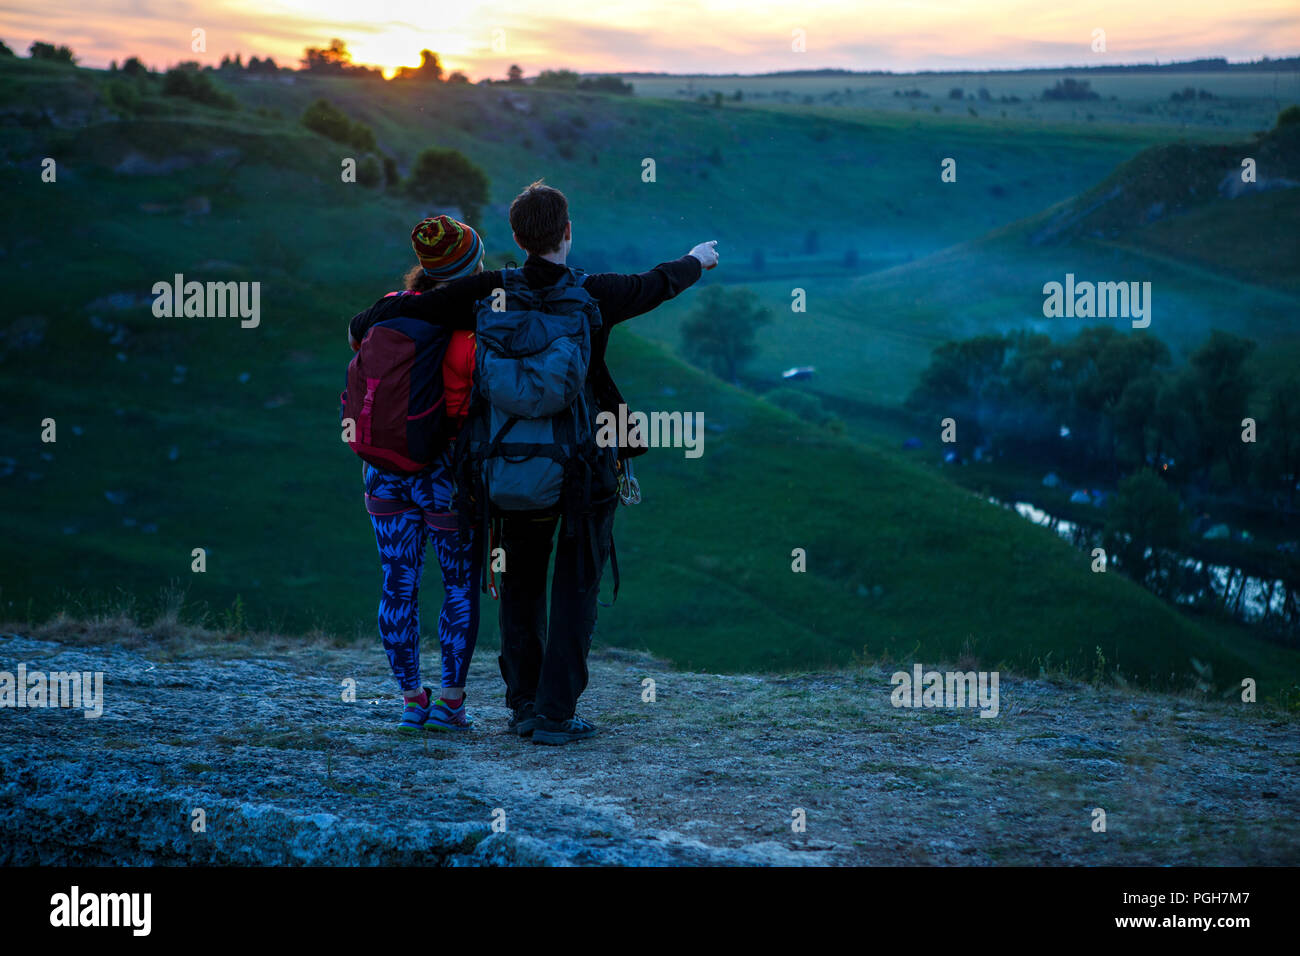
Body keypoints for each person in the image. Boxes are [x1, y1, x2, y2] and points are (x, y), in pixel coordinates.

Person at [349, 181, 719, 745]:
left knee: (519, 582)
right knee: (576, 586)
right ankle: (554, 714)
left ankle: (521, 706)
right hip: (585, 466)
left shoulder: (488, 291)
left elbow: (402, 312)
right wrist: (698, 260)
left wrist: (366, 321)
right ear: (567, 233)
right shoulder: (596, 292)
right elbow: (657, 284)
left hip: (505, 466)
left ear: (518, 238)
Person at [353, 215, 483, 731]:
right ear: (471, 266)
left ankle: (411, 700)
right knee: (457, 584)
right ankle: (451, 704)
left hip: (383, 469)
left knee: (397, 582)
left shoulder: (389, 310)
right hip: (445, 472)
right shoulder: (470, 325)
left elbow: (355, 339)